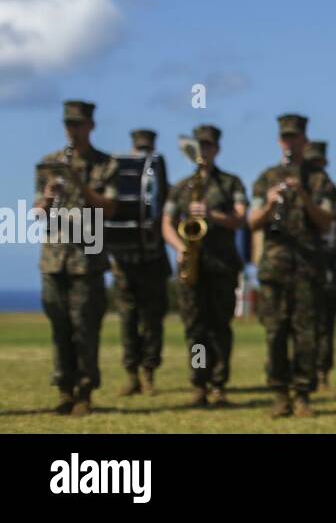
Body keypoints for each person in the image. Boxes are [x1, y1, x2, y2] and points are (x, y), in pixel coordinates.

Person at [249, 113, 336, 418]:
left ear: (305, 141)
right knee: (274, 332)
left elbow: (326, 223)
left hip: (307, 268)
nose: (290, 142)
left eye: (295, 137)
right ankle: (279, 393)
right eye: (285, 137)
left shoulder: (318, 179)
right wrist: (270, 203)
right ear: (279, 141)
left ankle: (302, 394)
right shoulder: (266, 178)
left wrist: (303, 195)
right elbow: (252, 222)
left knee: (305, 334)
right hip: (274, 267)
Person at [35, 100, 120, 416]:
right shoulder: (48, 164)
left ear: (91, 126)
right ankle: (64, 390)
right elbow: (38, 214)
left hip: (88, 259)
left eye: (78, 124)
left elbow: (109, 208)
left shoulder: (106, 164)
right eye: (68, 124)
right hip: (54, 260)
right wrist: (47, 197)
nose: (73, 130)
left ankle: (85, 391)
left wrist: (79, 182)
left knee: (85, 328)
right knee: (60, 328)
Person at [163, 124, 248, 407]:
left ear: (217, 148)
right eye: (200, 146)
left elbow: (240, 219)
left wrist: (212, 215)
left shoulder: (231, 183)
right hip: (193, 265)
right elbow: (166, 223)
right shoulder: (181, 187)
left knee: (220, 327)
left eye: (209, 146)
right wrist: (180, 248)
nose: (204, 151)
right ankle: (198, 382)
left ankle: (218, 384)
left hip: (222, 265)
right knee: (195, 328)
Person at [110, 128, 171, 397]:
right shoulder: (120, 174)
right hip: (124, 261)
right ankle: (131, 373)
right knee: (127, 319)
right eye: (141, 148)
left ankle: (148, 373)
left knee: (152, 320)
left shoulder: (160, 174)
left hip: (153, 260)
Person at [306, 140, 336, 393]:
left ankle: (323, 372)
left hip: (328, 264)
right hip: (301, 264)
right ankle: (303, 371)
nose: (316, 168)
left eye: (319, 163)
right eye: (311, 163)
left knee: (325, 324)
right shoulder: (297, 191)